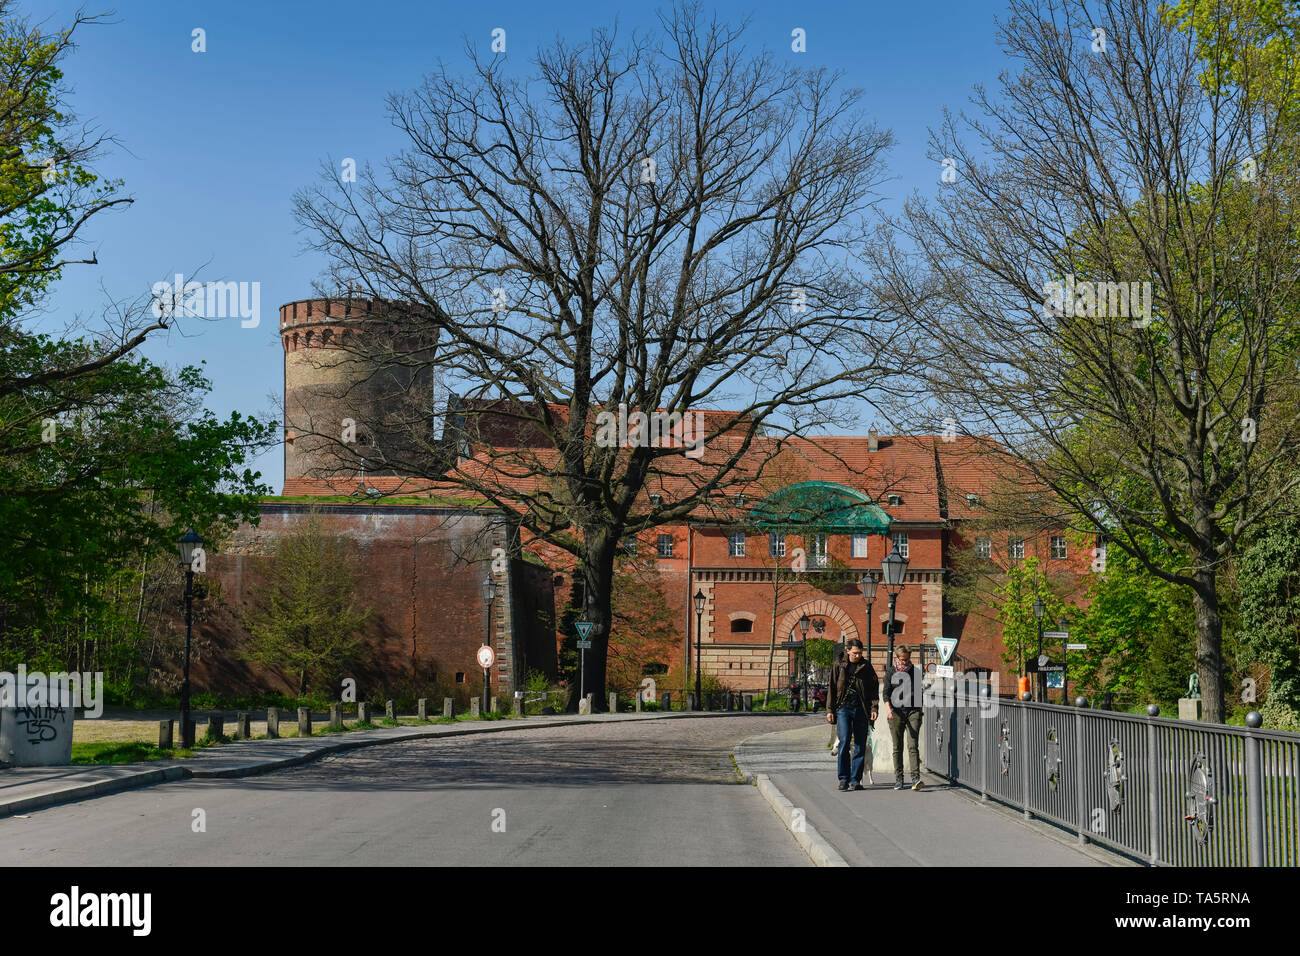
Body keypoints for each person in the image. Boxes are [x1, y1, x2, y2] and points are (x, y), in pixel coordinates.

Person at [826, 638, 879, 791]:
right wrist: (830, 710)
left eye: (860, 653)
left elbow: (874, 688)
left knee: (861, 745)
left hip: (861, 709)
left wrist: (874, 708)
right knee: (844, 742)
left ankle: (856, 780)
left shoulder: (866, 666)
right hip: (843, 708)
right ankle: (843, 779)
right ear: (847, 651)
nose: (858, 656)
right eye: (855, 653)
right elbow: (832, 688)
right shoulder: (839, 665)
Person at [886, 645, 925, 790]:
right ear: (897, 657)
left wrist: (919, 711)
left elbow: (918, 693)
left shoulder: (914, 671)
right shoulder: (891, 671)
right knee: (898, 747)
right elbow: (886, 693)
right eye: (902, 660)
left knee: (912, 745)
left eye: (907, 659)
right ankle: (899, 779)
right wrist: (889, 710)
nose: (904, 662)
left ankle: (916, 778)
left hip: (912, 711)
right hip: (895, 712)